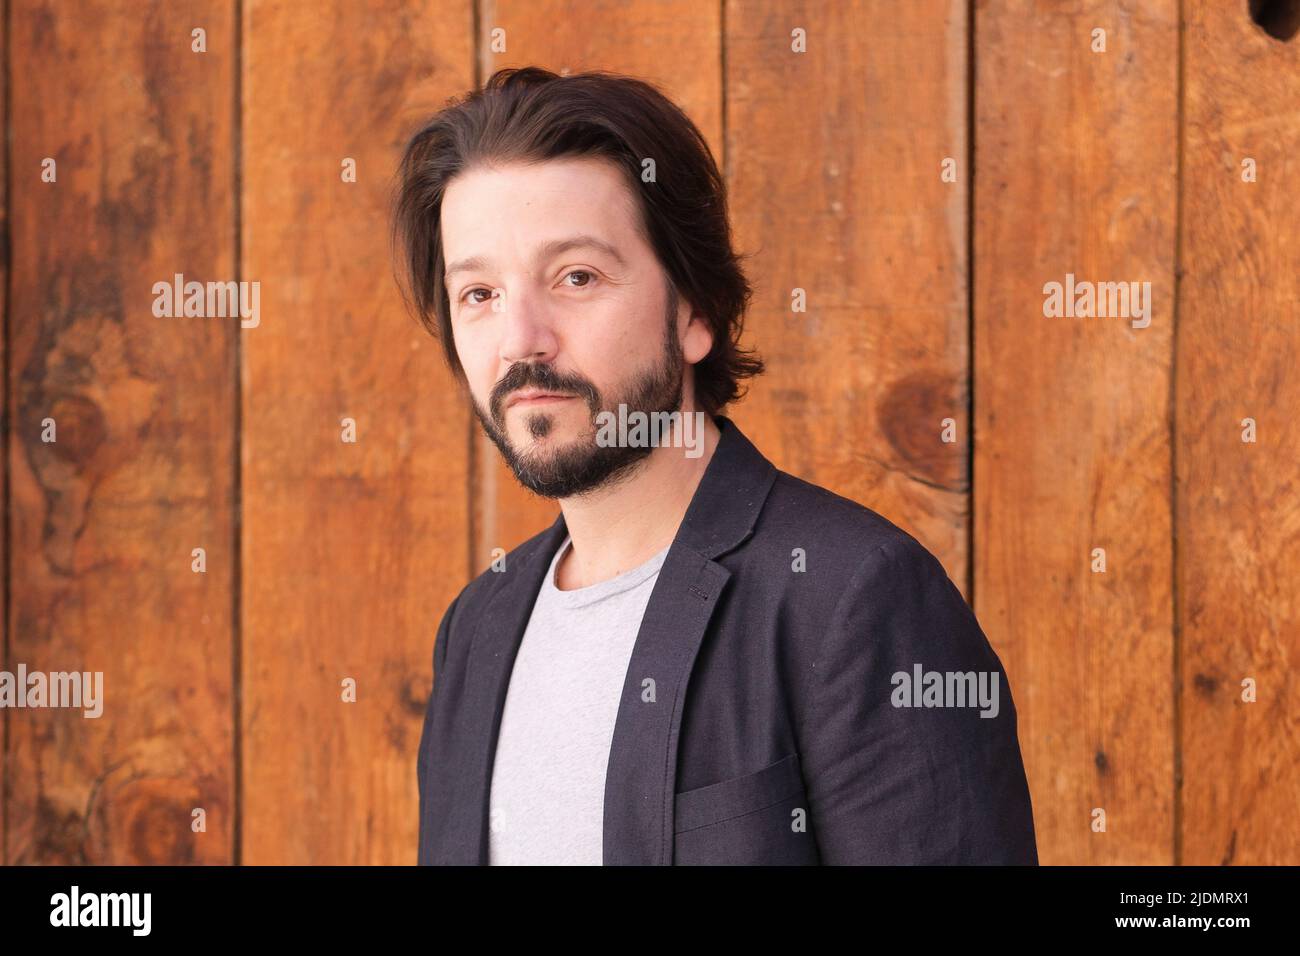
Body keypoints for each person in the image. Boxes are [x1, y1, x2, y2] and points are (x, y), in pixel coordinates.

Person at [392, 66, 1037, 865]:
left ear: (694, 310)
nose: (522, 337)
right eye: (479, 293)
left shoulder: (854, 598)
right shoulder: (476, 629)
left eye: (577, 277)